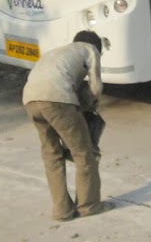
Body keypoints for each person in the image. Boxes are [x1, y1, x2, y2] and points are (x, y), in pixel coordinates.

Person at [22, 31, 106, 221]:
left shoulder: (57, 52)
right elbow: (96, 88)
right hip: (57, 99)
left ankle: (62, 211)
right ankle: (89, 206)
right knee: (84, 153)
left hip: (30, 100)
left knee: (52, 155)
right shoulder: (90, 49)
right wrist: (89, 105)